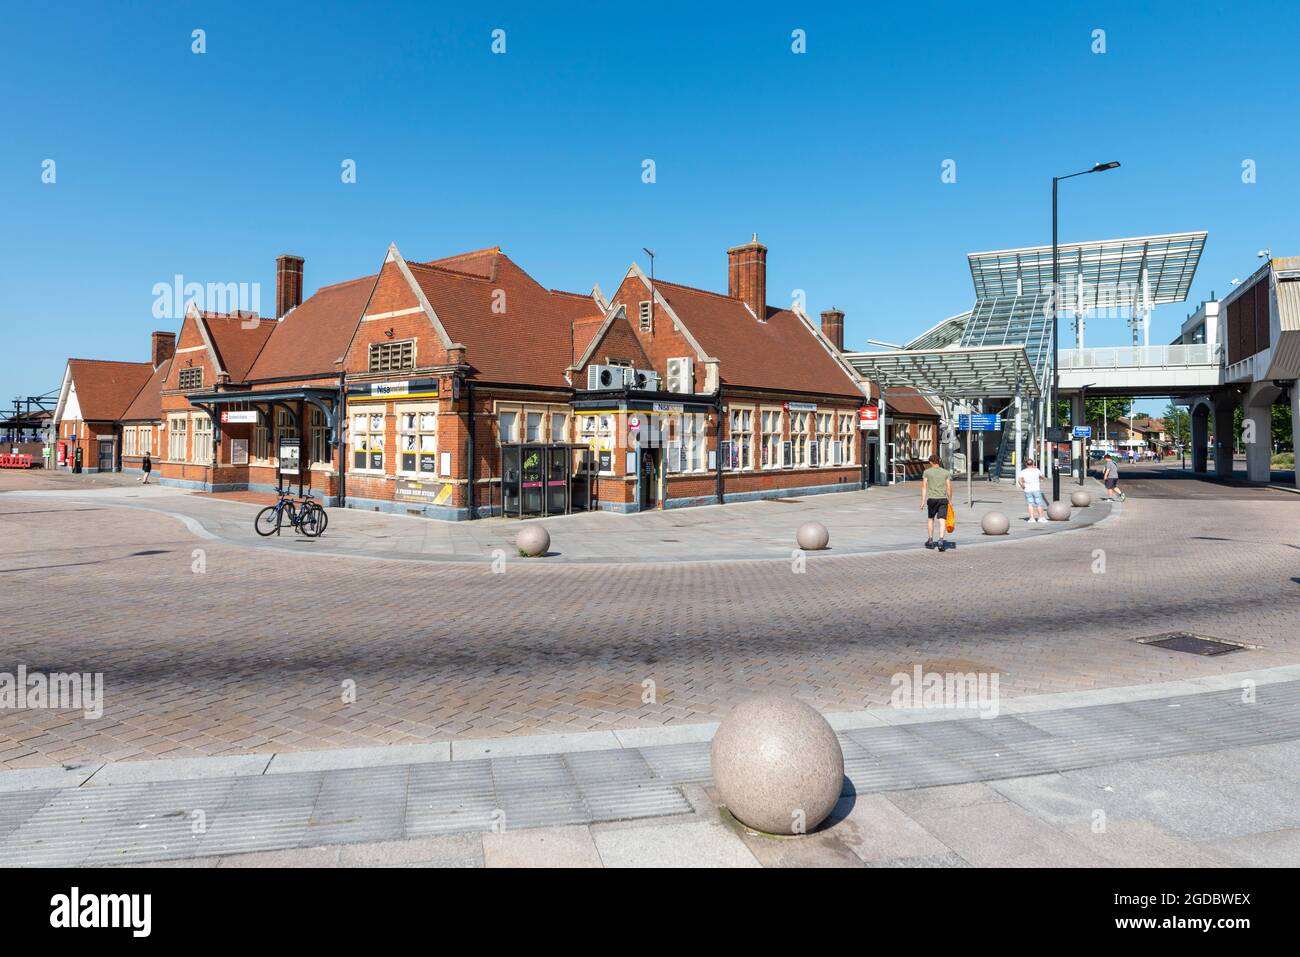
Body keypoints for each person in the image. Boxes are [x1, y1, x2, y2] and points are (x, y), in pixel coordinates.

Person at [920, 453, 953, 552]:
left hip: (932, 499)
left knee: (931, 519)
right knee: (942, 520)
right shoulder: (946, 473)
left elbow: (924, 487)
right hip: (943, 499)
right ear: (939, 462)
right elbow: (949, 488)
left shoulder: (927, 472)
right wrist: (950, 500)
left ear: (930, 462)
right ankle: (941, 541)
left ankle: (930, 540)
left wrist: (923, 501)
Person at [1017, 456, 1047, 523]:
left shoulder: (1023, 471)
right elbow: (1043, 477)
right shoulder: (1036, 470)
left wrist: (1022, 486)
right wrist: (1039, 476)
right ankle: (1041, 518)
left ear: (1026, 464)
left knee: (1030, 504)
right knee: (1039, 504)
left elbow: (1019, 480)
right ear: (1033, 463)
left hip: (1027, 490)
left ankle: (1032, 518)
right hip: (1036, 489)